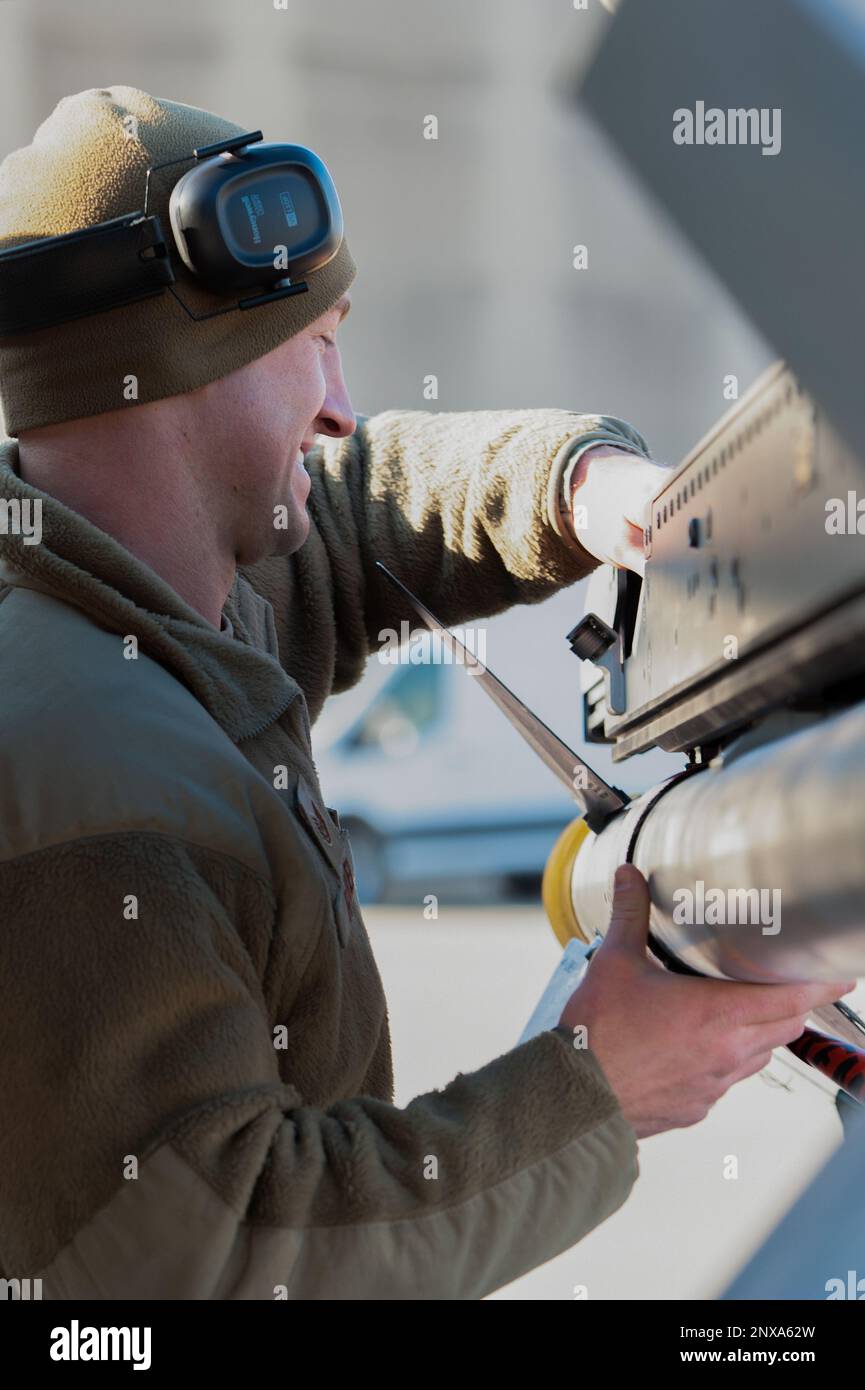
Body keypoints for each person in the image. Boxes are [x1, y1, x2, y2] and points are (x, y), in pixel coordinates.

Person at [0, 87, 850, 1300]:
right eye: (317, 343)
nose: (339, 401)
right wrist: (595, 1084)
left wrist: (578, 488)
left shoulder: (139, 596)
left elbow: (354, 509)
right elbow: (219, 1263)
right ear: (192, 378)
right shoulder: (78, 777)